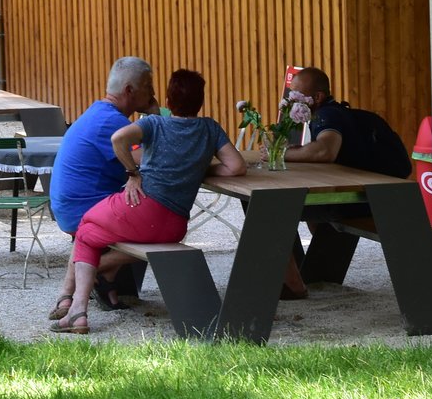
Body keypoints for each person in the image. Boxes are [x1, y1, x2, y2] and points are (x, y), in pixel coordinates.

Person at [49, 68, 246, 334]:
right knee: (94, 232)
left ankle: (78, 311)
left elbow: (119, 139)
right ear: (201, 101)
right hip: (175, 225)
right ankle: (89, 288)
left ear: (166, 100)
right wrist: (197, 168)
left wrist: (132, 173)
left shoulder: (154, 124)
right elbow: (236, 167)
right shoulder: (210, 128)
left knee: (85, 231)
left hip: (143, 211)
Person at [276, 67, 411, 296]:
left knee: (275, 210)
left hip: (366, 202)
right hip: (379, 197)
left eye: (297, 94)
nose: (291, 99)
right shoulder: (337, 113)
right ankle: (317, 273)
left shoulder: (326, 115)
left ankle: (293, 286)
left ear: (317, 97)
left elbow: (325, 151)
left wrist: (281, 154)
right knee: (303, 206)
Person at [49, 56, 159, 311]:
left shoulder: (99, 112)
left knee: (140, 208)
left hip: (70, 207)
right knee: (164, 225)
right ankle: (95, 270)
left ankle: (71, 293)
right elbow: (150, 159)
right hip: (81, 211)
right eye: (148, 86)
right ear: (129, 90)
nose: (153, 92)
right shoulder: (114, 123)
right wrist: (156, 118)